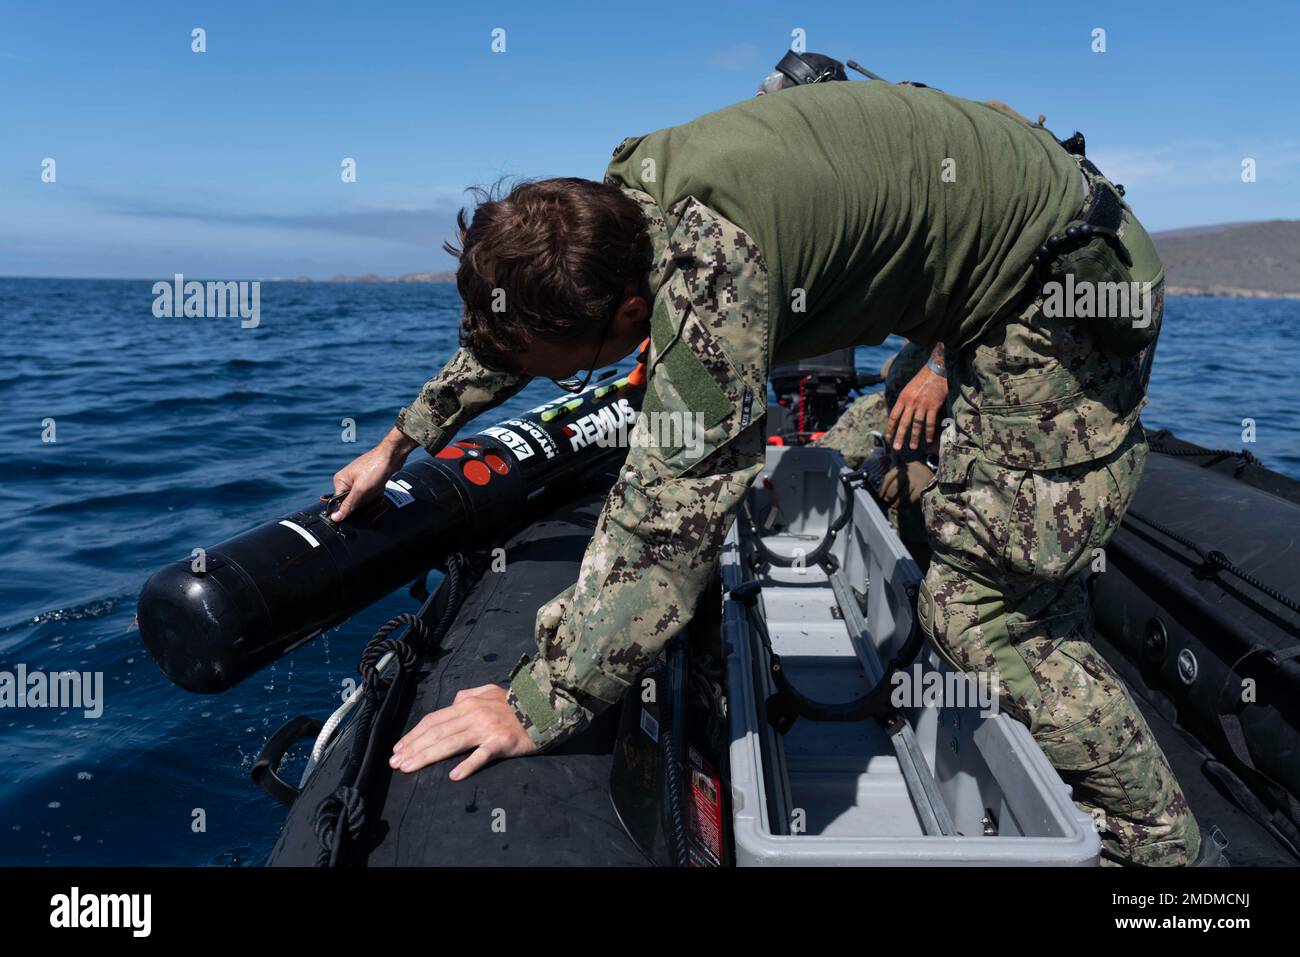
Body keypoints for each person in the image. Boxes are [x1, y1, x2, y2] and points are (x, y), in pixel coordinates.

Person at [331, 78, 1198, 865]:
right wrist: (402, 440)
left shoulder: (714, 273)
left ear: (633, 311)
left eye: (576, 370)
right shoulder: (616, 215)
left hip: (1058, 294)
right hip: (1002, 251)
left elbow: (671, 528)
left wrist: (539, 699)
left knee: (985, 613)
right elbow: (518, 328)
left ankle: (1167, 858)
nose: (565, 383)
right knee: (873, 450)